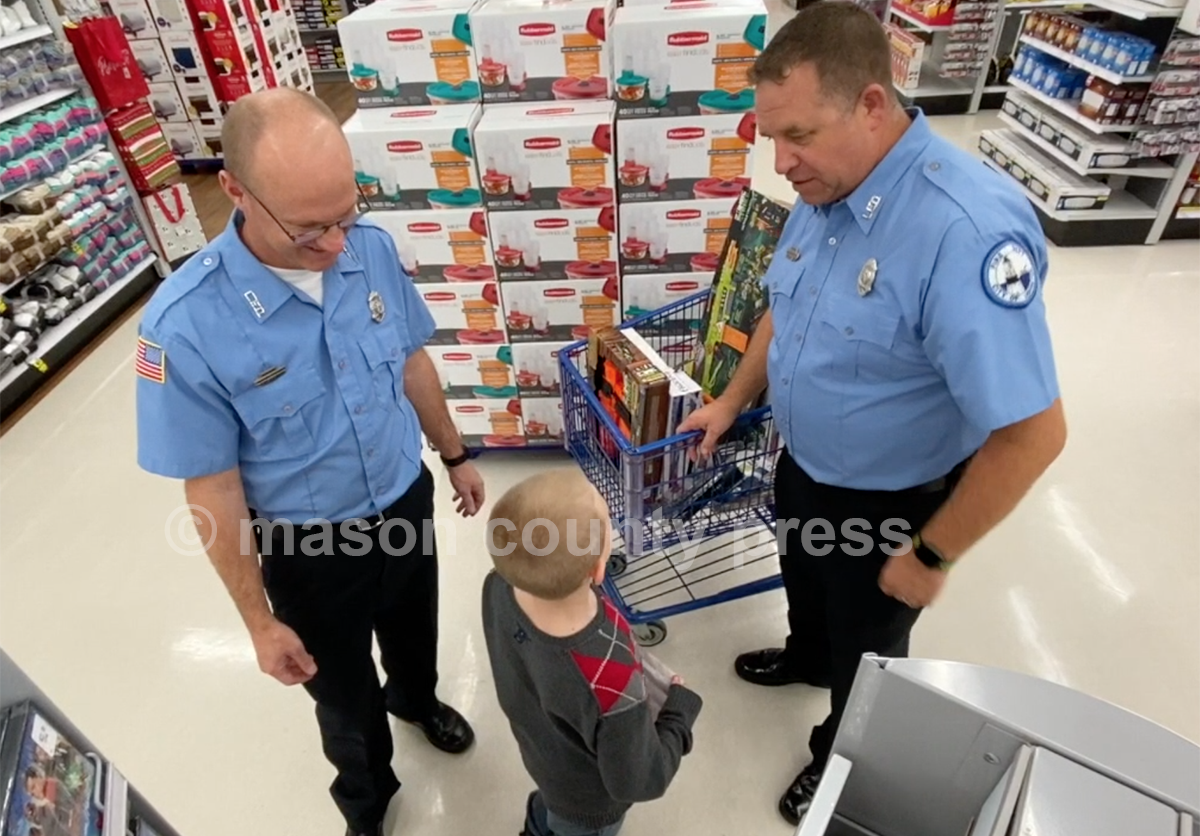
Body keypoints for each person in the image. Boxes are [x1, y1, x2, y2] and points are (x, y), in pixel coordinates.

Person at [679, 2, 1067, 825]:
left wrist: (932, 553)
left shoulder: (963, 232)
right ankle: (805, 654)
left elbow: (1034, 432)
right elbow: (786, 307)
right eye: (770, 136)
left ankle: (844, 759)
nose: (782, 163)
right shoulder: (830, 187)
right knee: (807, 586)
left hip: (892, 504)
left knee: (872, 663)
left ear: (872, 104)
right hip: (805, 463)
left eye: (800, 136)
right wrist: (731, 400)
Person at [135, 88, 485, 836]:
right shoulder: (183, 327)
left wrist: (454, 453)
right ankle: (367, 796)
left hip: (401, 499)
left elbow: (411, 360)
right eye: (307, 229)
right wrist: (257, 621)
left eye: (345, 215)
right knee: (341, 695)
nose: (334, 244)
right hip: (309, 546)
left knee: (414, 627)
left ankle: (417, 699)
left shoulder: (374, 250)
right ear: (235, 189)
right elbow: (214, 485)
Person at [481, 469, 703, 836]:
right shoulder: (611, 681)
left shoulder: (500, 585)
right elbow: (641, 781)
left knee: (550, 810)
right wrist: (679, 714)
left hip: (544, 755)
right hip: (591, 804)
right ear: (599, 569)